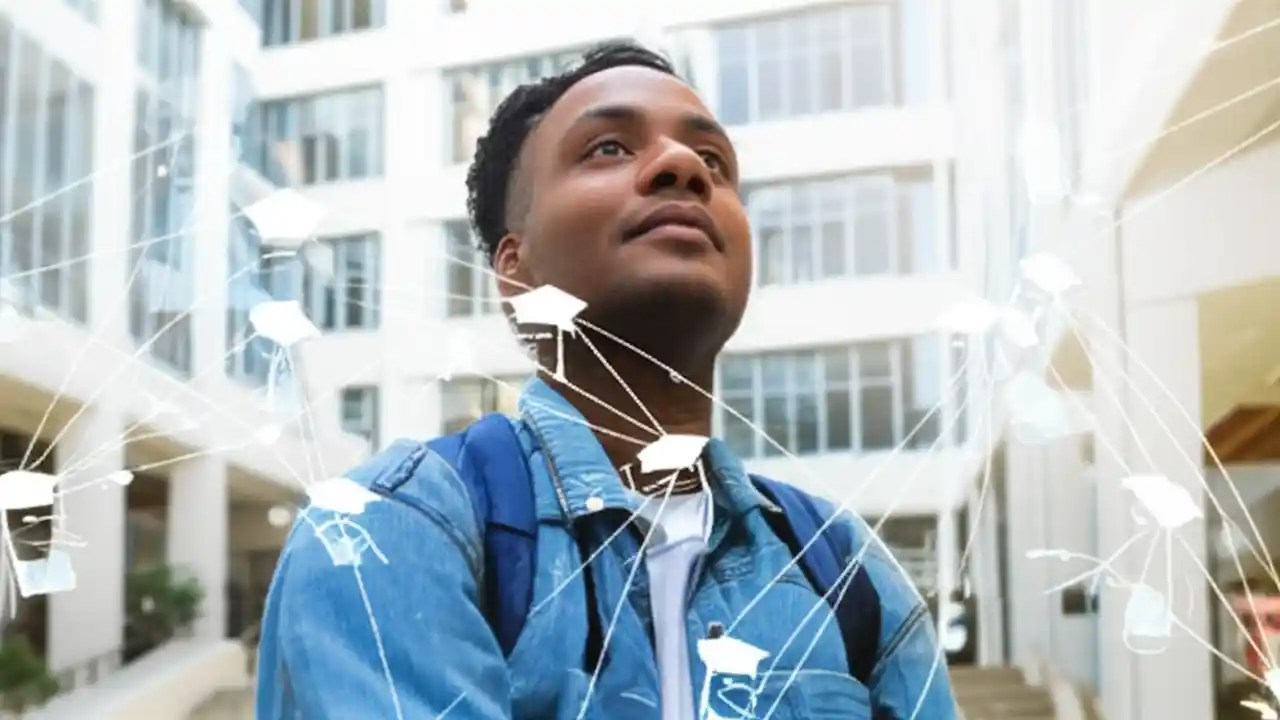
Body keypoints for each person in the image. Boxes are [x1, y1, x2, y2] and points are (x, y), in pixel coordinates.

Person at [255, 41, 957, 719]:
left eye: (713, 159)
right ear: (515, 269)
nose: (684, 165)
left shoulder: (844, 568)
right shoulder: (393, 527)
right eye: (609, 149)